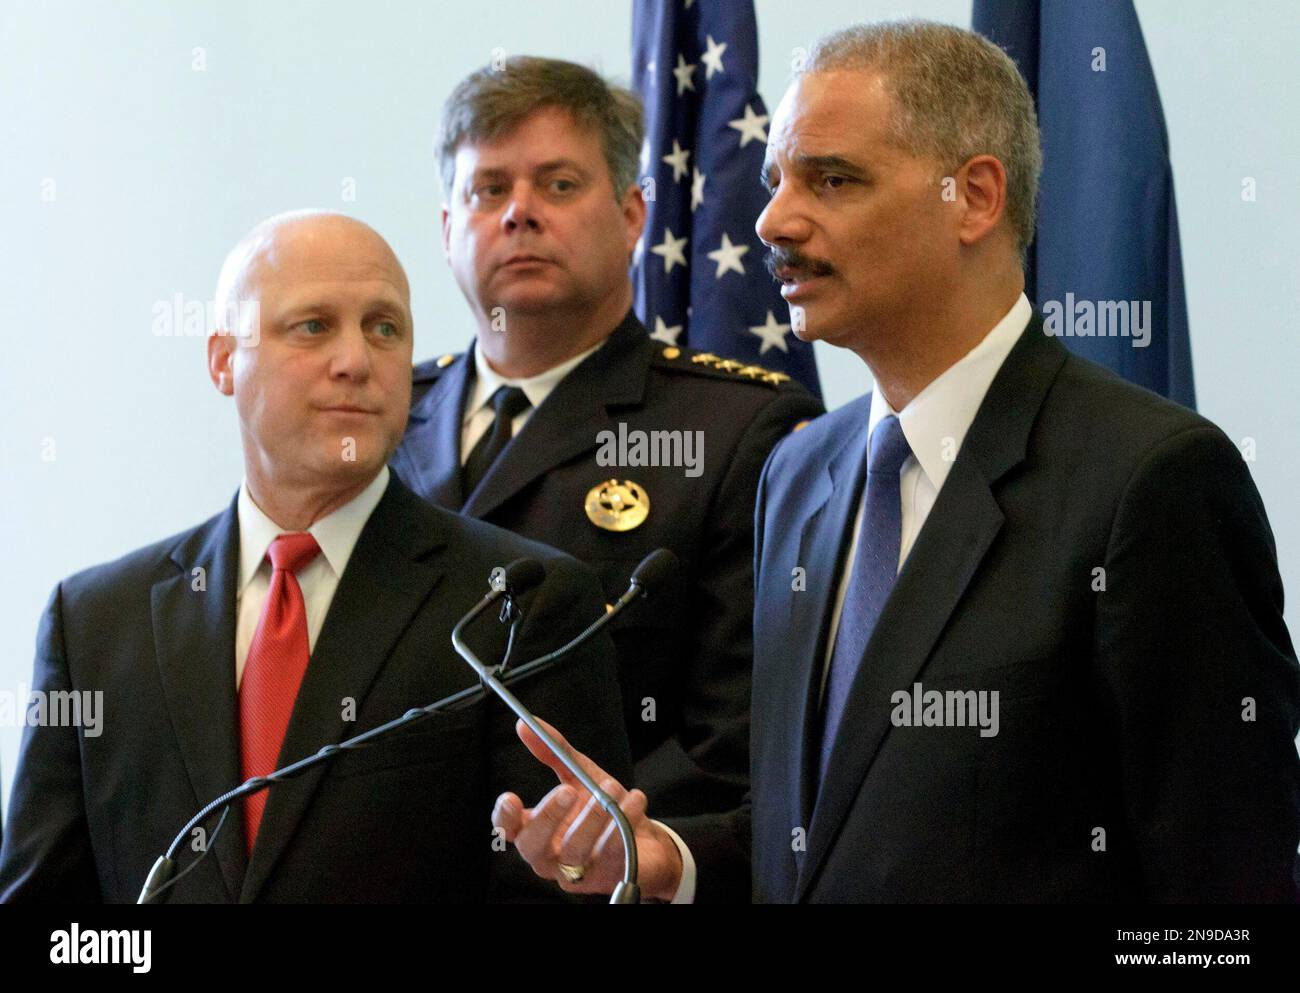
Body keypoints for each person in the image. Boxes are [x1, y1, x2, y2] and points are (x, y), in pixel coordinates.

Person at [491, 21, 1300, 903]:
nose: (772, 220)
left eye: (832, 179)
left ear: (975, 197)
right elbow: (820, 830)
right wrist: (666, 861)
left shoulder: (1151, 480)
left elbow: (1227, 903)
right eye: (775, 182)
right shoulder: (798, 475)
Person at [0, 210, 631, 903]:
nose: (356, 360)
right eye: (313, 326)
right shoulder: (92, 623)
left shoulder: (523, 601)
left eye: (384, 328)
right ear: (221, 359)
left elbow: (563, 885)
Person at [390, 57, 824, 818]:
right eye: (489, 189)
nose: (520, 212)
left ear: (631, 215)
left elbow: (735, 742)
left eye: (558, 184)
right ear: (449, 226)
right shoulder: (386, 416)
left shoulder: (736, 429)